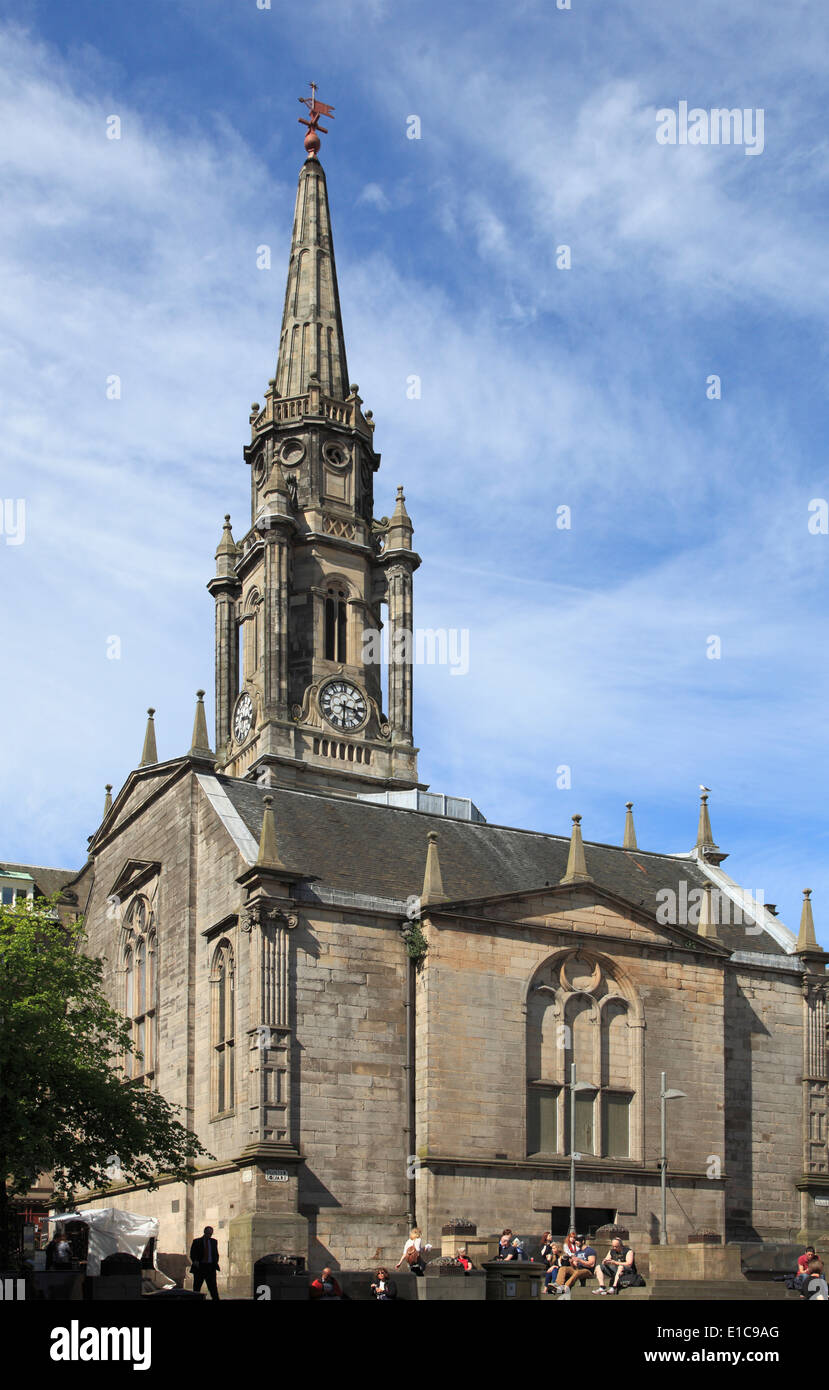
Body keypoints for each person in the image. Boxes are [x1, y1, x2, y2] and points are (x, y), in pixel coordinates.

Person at [189, 1225, 220, 1300]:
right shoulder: (197, 1241)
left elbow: (215, 1253)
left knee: (213, 1288)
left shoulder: (214, 1242)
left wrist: (215, 1263)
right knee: (197, 1287)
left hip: (210, 1267)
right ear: (204, 1232)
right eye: (208, 1233)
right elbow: (192, 1253)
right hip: (200, 1267)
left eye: (211, 1234)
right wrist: (195, 1261)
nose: (209, 1235)